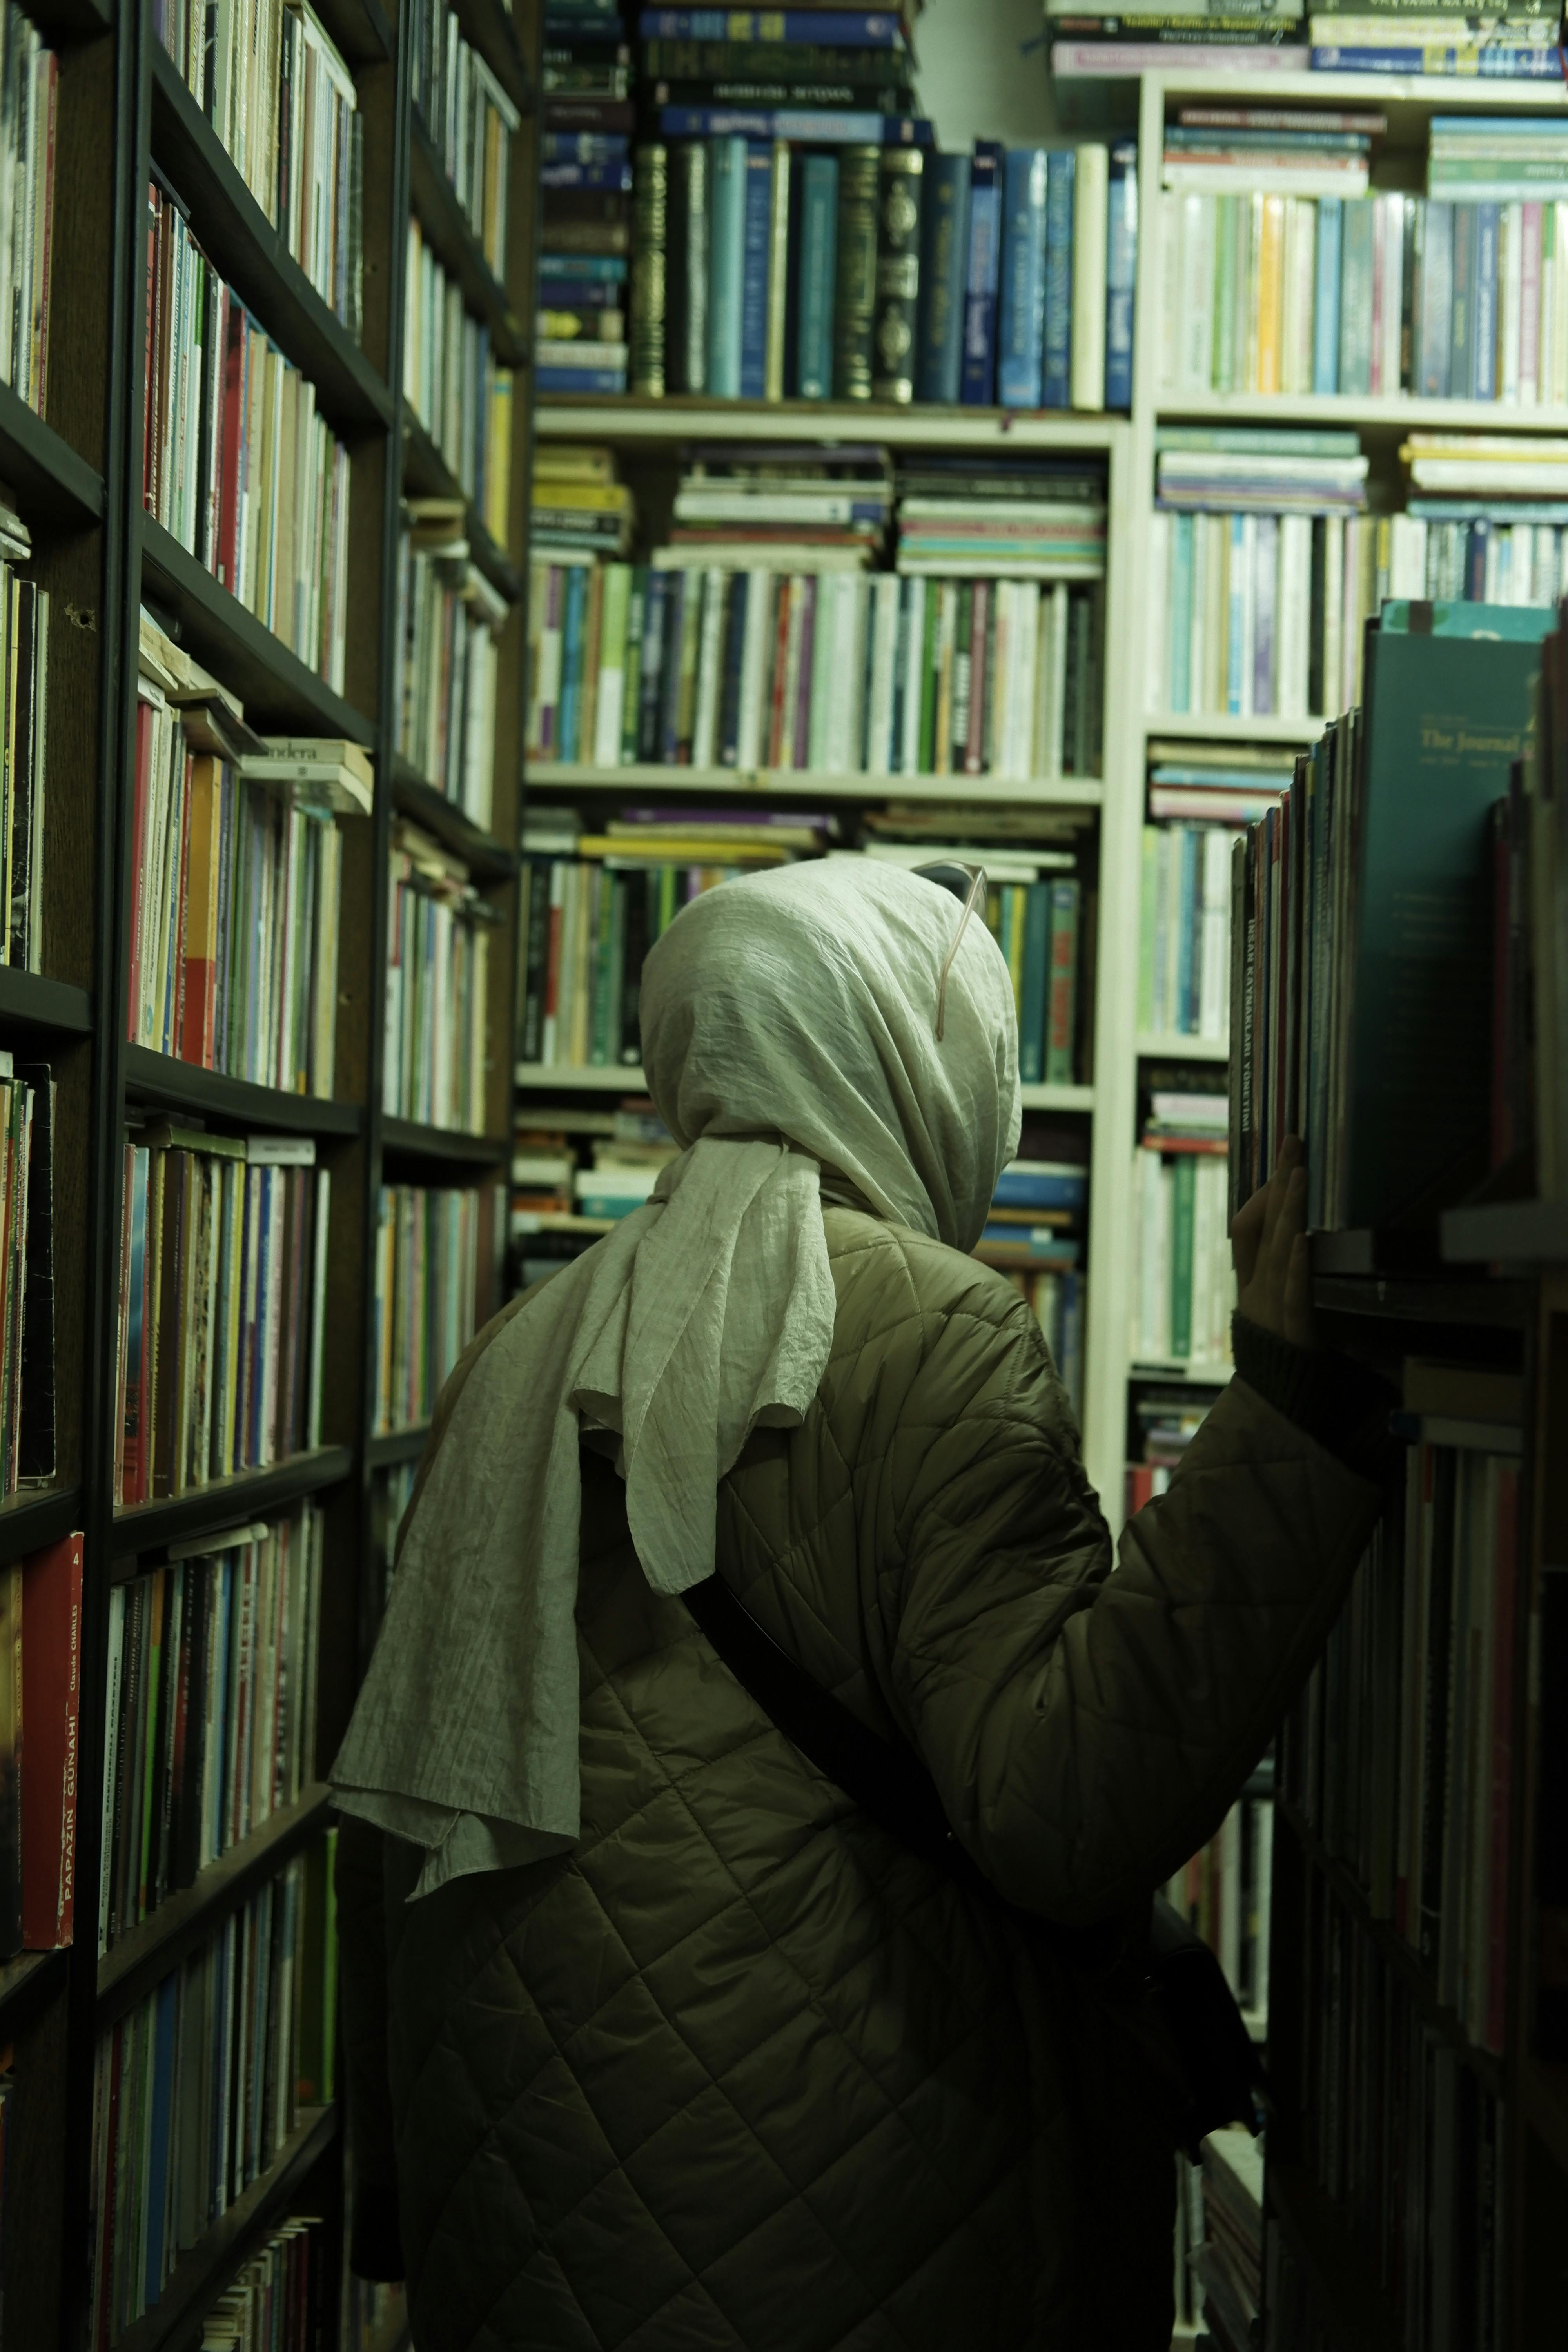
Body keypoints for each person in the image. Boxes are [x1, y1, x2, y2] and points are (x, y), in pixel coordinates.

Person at [332, 858, 1387, 2352]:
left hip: (519, 2192)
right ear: (905, 1055)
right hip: (855, 2197)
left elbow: (397, 1810)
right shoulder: (930, 1330)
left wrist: (406, 2198)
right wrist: (1287, 1418)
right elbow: (1062, 1811)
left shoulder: (525, 1343)